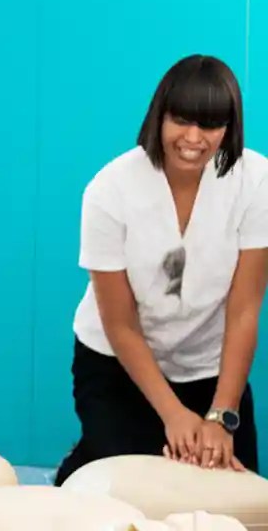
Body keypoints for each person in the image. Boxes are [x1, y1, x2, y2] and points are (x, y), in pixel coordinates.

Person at [54, 54, 264, 485]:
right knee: (133, 486)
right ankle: (86, 457)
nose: (193, 138)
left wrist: (221, 415)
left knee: (232, 490)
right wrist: (173, 414)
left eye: (210, 125)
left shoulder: (256, 182)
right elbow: (120, 323)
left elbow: (244, 309)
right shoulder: (109, 190)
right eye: (181, 120)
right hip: (116, 362)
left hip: (208, 368)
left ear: (229, 128)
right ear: (159, 117)